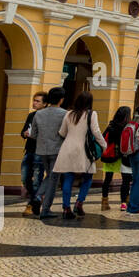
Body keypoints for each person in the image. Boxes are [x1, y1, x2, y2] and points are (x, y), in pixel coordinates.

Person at [55, 91, 103, 221]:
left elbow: (62, 132)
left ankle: (66, 208)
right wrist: (103, 145)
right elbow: (96, 131)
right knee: (87, 177)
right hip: (84, 150)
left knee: (68, 178)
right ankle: (79, 202)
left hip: (68, 148)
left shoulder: (69, 113)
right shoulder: (91, 114)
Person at [30, 88, 68, 219]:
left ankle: (38, 197)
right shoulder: (65, 114)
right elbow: (66, 133)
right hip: (57, 150)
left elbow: (33, 134)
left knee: (50, 176)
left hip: (42, 150)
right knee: (53, 179)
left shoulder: (38, 114)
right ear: (61, 99)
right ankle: (45, 208)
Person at [19, 91, 46, 217]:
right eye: (34, 100)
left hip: (39, 151)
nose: (34, 103)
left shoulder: (46, 117)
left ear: (45, 104)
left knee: (37, 179)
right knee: (25, 178)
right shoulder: (31, 115)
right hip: (29, 150)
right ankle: (37, 199)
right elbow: (23, 130)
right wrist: (24, 133)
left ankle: (31, 204)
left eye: (38, 101)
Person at [101, 106, 131, 211]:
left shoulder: (111, 126)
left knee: (107, 179)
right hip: (122, 157)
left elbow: (103, 137)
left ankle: (104, 202)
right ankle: (124, 202)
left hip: (110, 155)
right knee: (125, 180)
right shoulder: (126, 128)